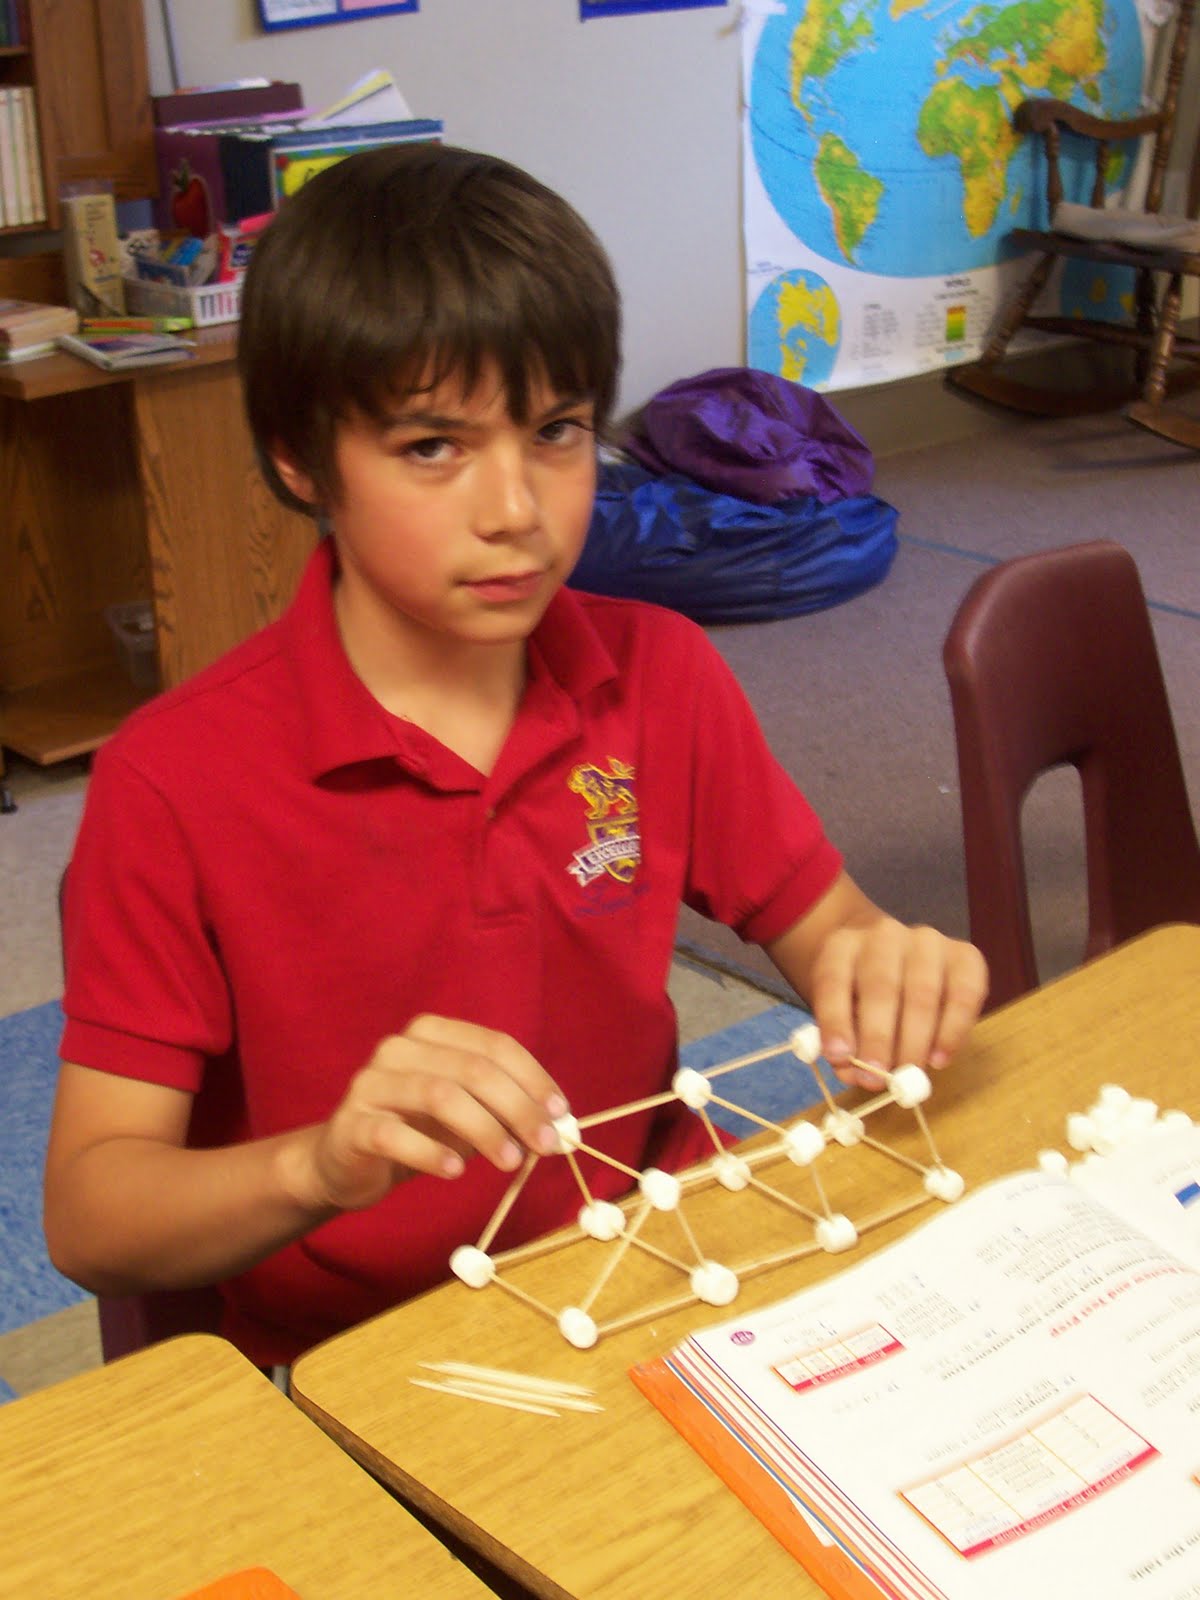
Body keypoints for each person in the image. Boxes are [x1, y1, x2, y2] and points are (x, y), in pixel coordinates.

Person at [44, 144, 988, 1369]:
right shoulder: (173, 781)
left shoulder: (662, 674)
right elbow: (92, 1213)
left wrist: (882, 972)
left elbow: (834, 931)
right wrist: (321, 1162)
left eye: (556, 431)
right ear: (298, 459)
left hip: (661, 1268)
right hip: (368, 1359)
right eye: (432, 446)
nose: (518, 510)